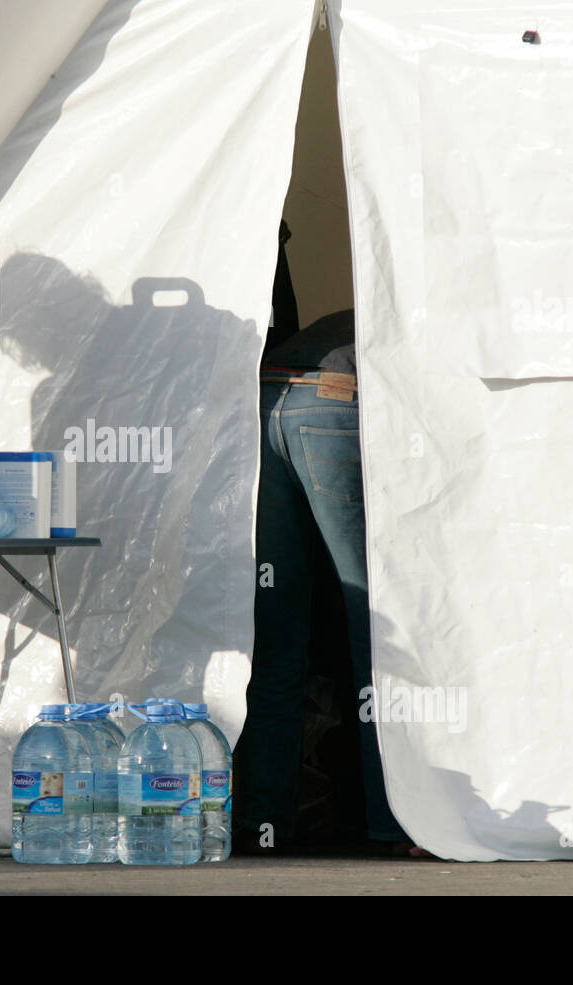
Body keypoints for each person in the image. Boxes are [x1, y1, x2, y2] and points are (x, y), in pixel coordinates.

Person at [235, 307, 421, 856]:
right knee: (373, 624)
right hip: (336, 400)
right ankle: (393, 825)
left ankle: (262, 824)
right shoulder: (421, 308)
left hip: (267, 397)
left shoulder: (346, 312)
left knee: (276, 635)